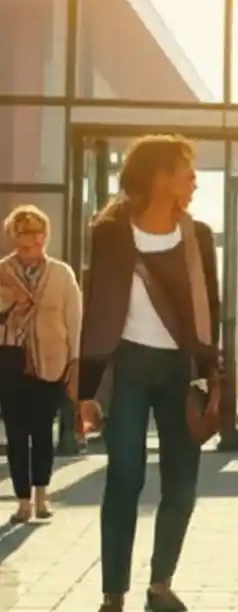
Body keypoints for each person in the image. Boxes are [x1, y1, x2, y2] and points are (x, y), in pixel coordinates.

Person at [77, 135, 220, 612]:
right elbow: (95, 309)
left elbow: (210, 310)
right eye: (187, 170)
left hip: (181, 370)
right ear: (160, 175)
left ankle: (160, 585)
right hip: (130, 365)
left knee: (182, 483)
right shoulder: (110, 233)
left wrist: (209, 371)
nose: (194, 180)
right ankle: (112, 594)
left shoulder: (197, 236)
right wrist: (86, 390)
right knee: (125, 477)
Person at [0, 205, 81, 524]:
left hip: (51, 360)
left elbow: (74, 318)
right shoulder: (3, 271)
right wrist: (10, 302)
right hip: (9, 359)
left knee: (42, 431)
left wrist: (75, 359)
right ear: (13, 238)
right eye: (22, 236)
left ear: (45, 236)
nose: (30, 243)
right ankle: (22, 502)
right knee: (16, 433)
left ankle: (42, 496)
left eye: (35, 235)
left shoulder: (61, 273)